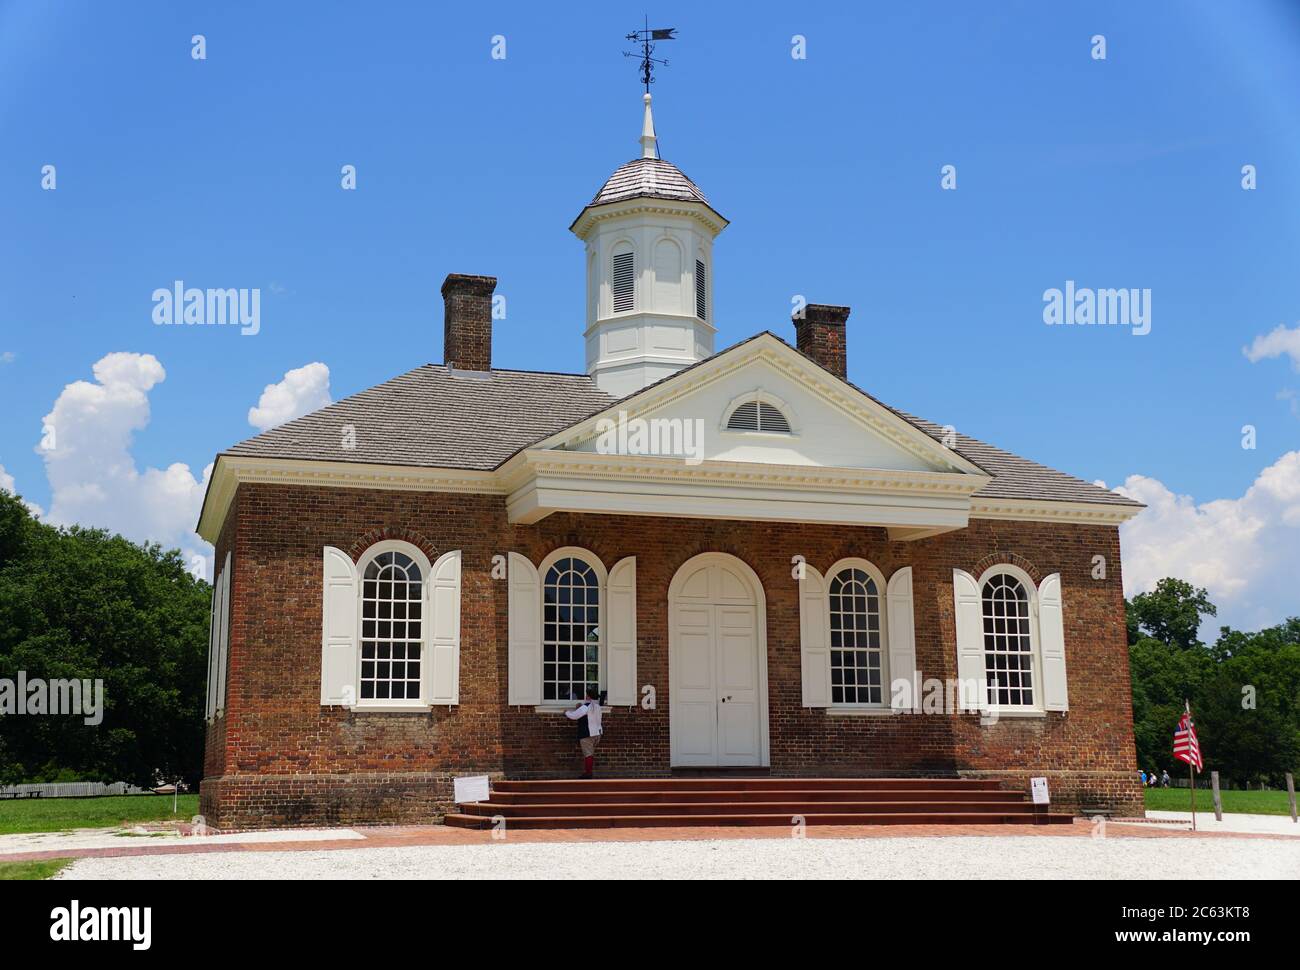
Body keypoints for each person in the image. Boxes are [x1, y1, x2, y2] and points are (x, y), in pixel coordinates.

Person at [565, 685, 603, 779]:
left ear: (588, 696)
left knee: (588, 754)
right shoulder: (598, 707)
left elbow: (574, 716)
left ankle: (588, 773)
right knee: (590, 753)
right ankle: (588, 771)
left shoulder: (585, 707)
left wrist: (566, 712)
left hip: (587, 733)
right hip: (597, 733)